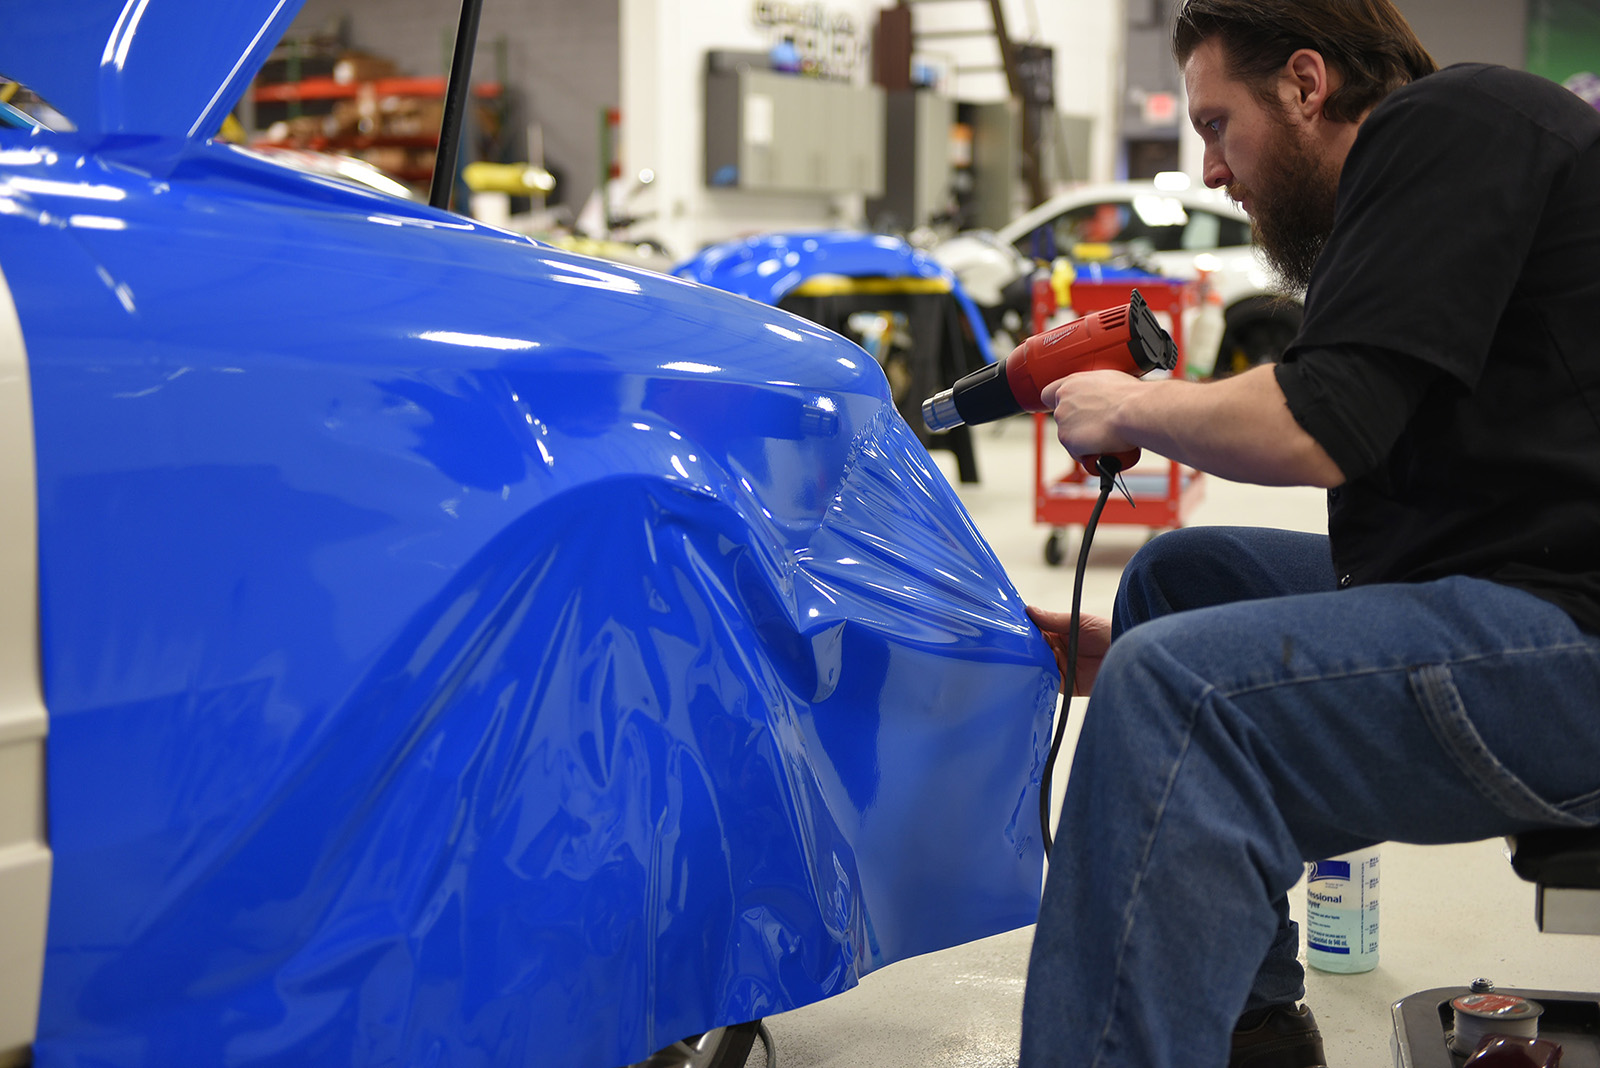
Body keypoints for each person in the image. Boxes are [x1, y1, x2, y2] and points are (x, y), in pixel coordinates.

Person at [1018, 2, 1600, 1067]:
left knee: (1178, 695)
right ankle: (1251, 1034)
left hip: (1577, 644)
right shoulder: (1417, 182)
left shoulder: (1451, 121)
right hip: (1523, 588)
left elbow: (1320, 423)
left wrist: (1132, 404)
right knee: (1182, 582)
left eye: (1216, 125)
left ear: (1303, 83)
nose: (1211, 170)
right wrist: (1151, 648)